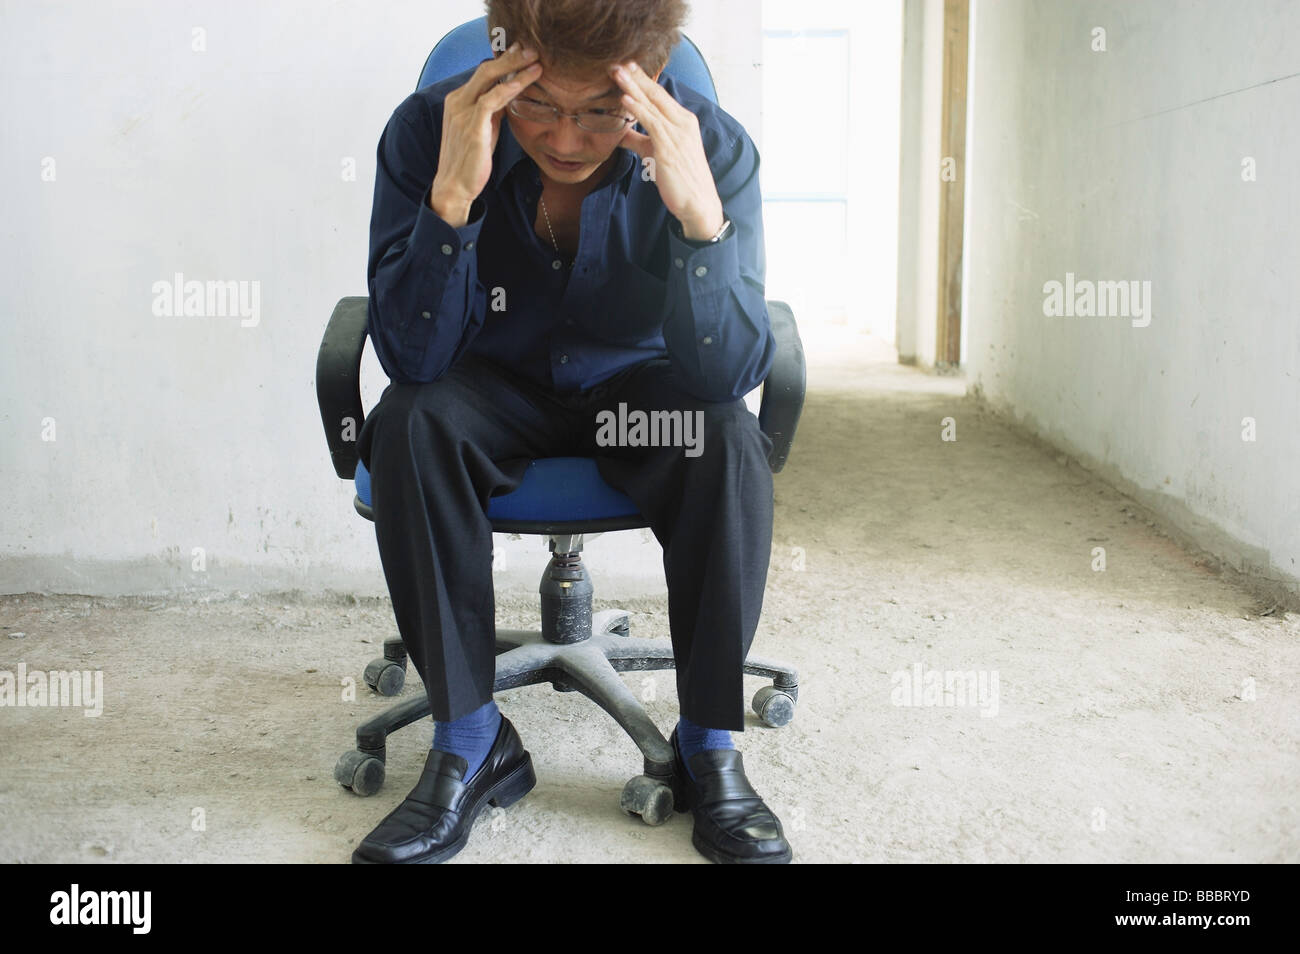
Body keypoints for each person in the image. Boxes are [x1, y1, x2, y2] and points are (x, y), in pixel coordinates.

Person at [351, 0, 790, 864]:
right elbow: (410, 356)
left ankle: (709, 744)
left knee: (727, 441)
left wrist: (702, 223)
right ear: (504, 65)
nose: (564, 139)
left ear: (650, 82)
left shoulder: (714, 146)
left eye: (599, 112)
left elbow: (726, 376)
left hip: (637, 388)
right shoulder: (426, 132)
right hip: (489, 383)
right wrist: (450, 202)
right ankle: (472, 744)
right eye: (539, 103)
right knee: (408, 424)